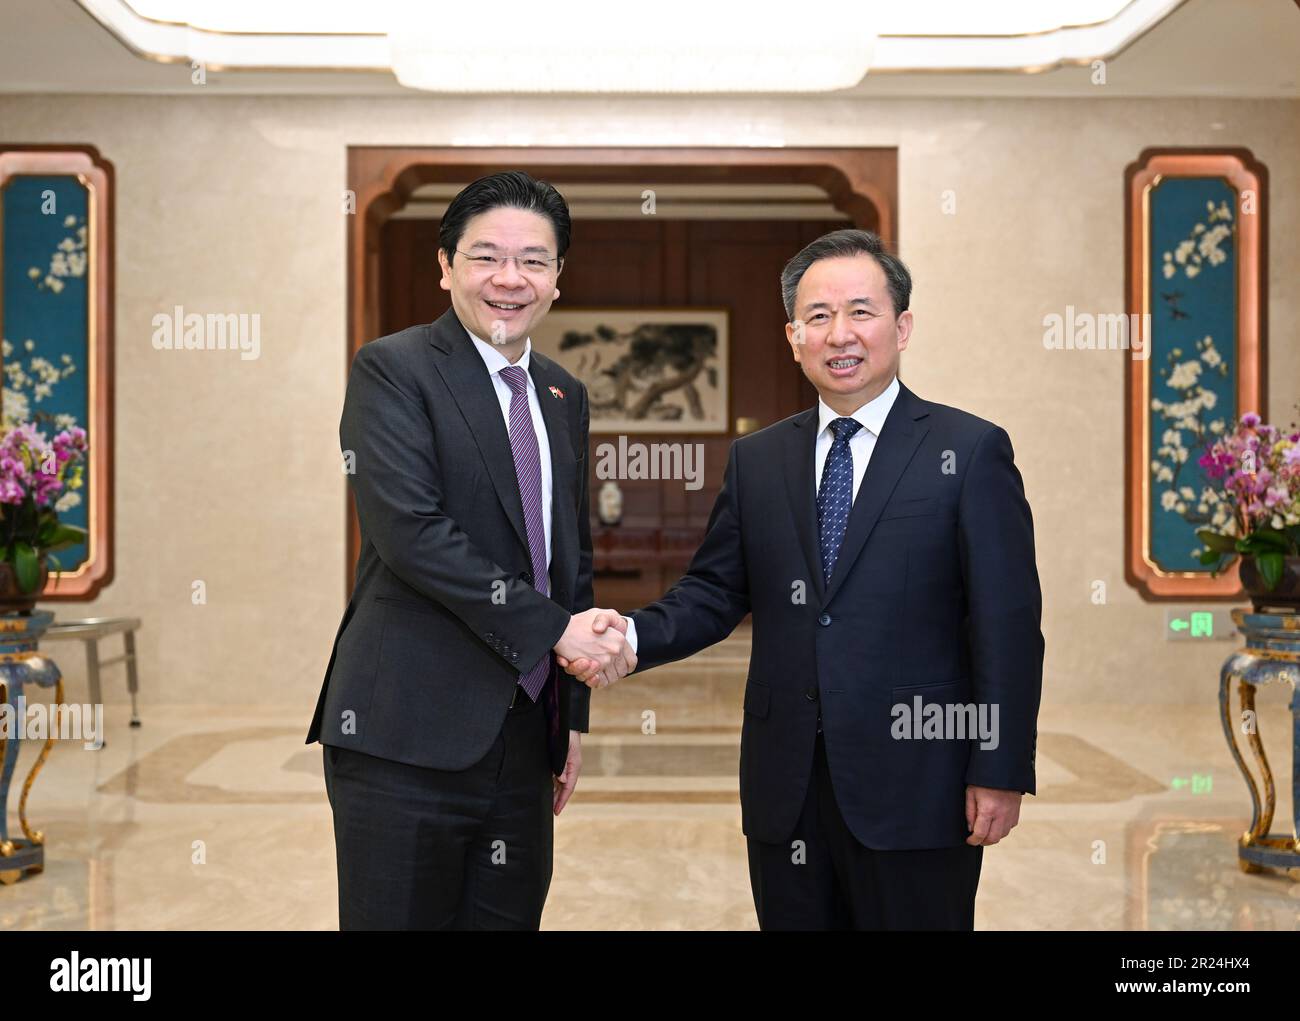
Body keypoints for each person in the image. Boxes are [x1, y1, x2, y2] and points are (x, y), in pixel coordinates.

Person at [562, 229, 1043, 930]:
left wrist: (999, 766)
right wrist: (630, 635)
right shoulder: (760, 459)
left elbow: (1006, 623)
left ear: (902, 326)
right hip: (786, 788)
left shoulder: (967, 451)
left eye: (861, 311)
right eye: (818, 316)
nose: (839, 333)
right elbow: (715, 591)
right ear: (793, 336)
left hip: (918, 784)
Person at [307, 171, 635, 930]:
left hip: (523, 740)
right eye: (487, 256)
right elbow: (411, 533)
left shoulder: (562, 393)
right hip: (403, 734)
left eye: (534, 260)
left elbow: (567, 559)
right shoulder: (394, 369)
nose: (510, 278)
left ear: (558, 279)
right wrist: (556, 630)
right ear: (446, 266)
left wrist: (569, 713)